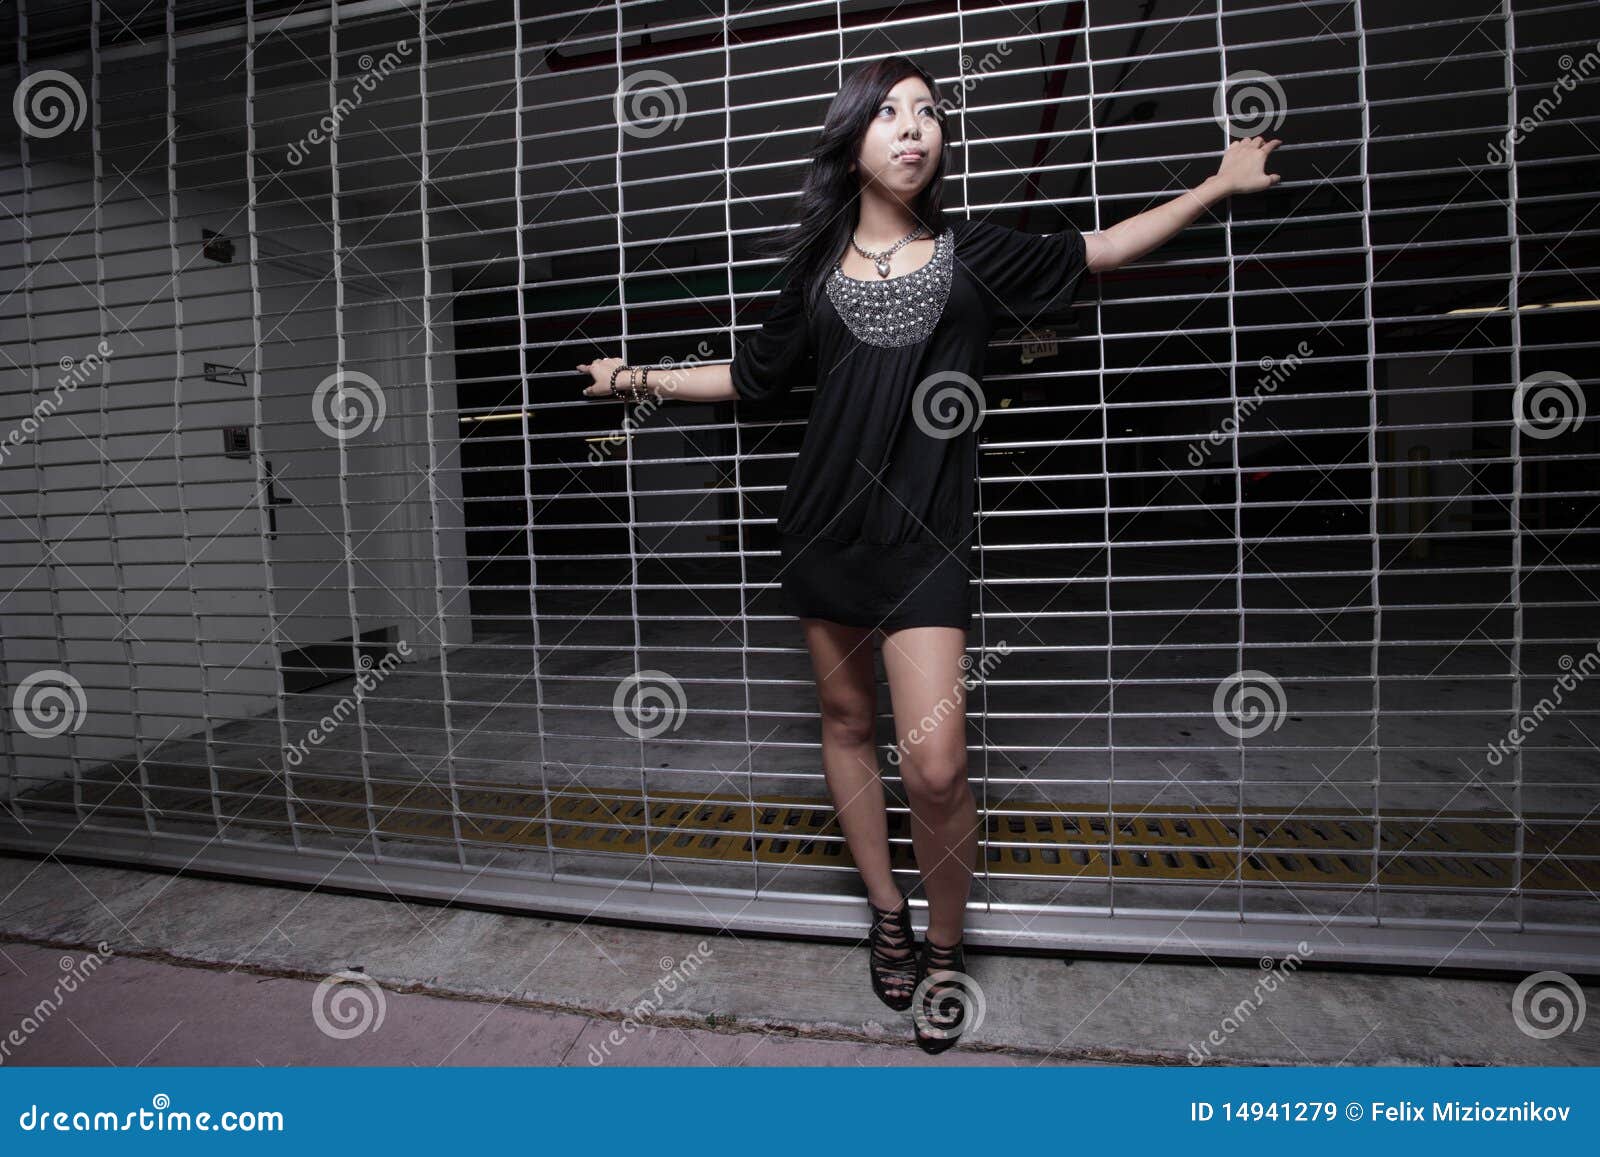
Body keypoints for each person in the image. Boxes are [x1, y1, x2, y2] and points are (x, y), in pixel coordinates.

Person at [579, 55, 1280, 1053]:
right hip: (824, 527)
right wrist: (627, 375)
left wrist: (1217, 182)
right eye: (890, 114)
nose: (914, 129)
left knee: (938, 764)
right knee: (844, 720)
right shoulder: (813, 274)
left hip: (927, 538)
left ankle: (946, 945)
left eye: (928, 113)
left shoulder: (974, 256)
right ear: (852, 139)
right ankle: (887, 913)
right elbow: (749, 375)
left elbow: (1105, 246)